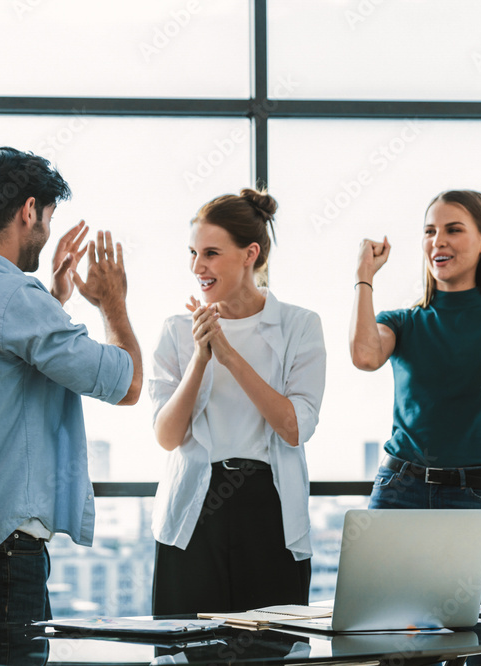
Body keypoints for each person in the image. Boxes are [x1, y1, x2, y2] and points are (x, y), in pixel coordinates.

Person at [0, 147, 143, 624]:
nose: (46, 233)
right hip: (5, 542)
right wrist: (111, 303)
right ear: (28, 211)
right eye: (48, 219)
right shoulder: (16, 295)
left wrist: (55, 299)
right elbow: (126, 383)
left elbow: (4, 368)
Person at [350, 190, 481, 611]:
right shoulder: (403, 321)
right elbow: (364, 355)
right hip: (400, 491)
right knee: (390, 641)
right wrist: (365, 276)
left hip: (477, 497)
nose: (439, 240)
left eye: (454, 230)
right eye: (430, 231)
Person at [150, 188, 326, 615]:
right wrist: (201, 357)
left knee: (269, 649)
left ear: (250, 253)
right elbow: (167, 436)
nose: (197, 267)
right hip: (193, 511)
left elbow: (294, 427)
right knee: (185, 652)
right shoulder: (177, 329)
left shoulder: (299, 325)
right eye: (192, 252)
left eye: (210, 253)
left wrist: (229, 356)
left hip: (269, 508)